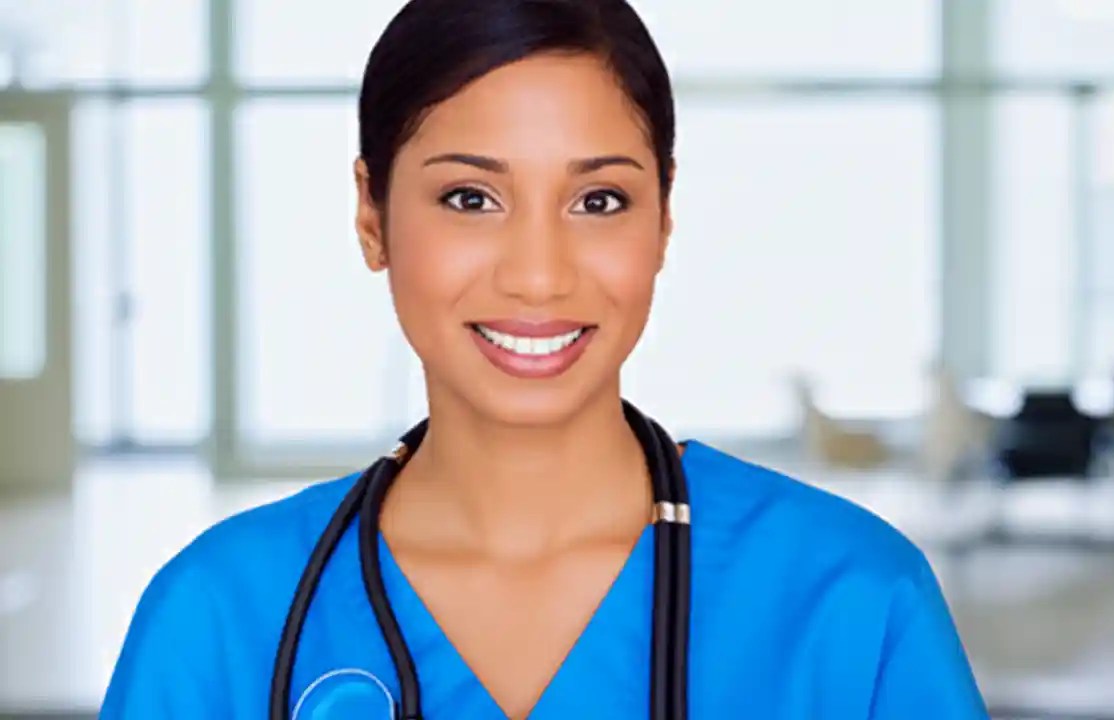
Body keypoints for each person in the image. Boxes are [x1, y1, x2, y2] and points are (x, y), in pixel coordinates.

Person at [101, 1, 987, 718]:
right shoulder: (221, 617)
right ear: (371, 216)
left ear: (665, 219)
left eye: (599, 199)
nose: (537, 275)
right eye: (470, 197)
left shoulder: (852, 605)